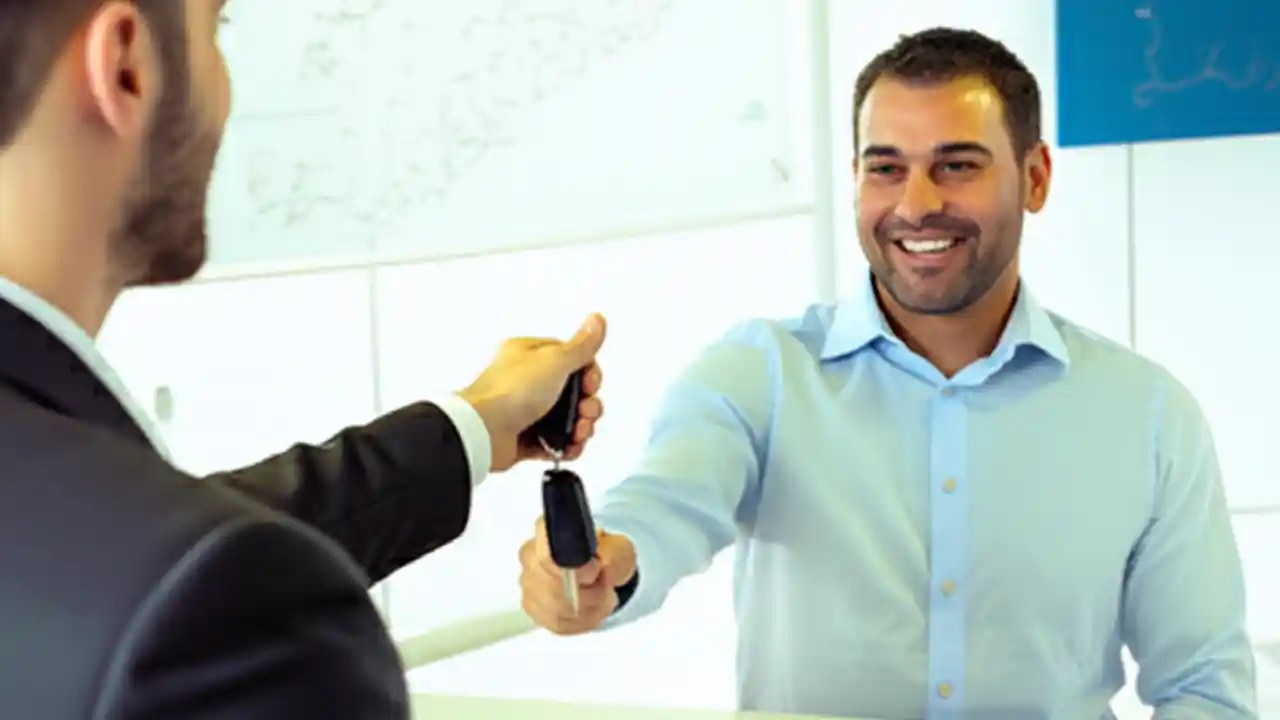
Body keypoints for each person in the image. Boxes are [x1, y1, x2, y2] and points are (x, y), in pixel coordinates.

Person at [518, 27, 1257, 719]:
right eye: (886, 169)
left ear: (1034, 178)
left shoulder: (1146, 414)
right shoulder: (759, 375)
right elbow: (664, 506)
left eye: (956, 165)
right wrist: (602, 569)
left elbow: (1204, 687)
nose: (916, 204)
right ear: (856, 180)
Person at [0, 0, 605, 717]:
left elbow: (111, 561)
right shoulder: (225, 629)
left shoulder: (112, 562)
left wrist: (471, 425)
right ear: (126, 65)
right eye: (216, 29)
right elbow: (186, 592)